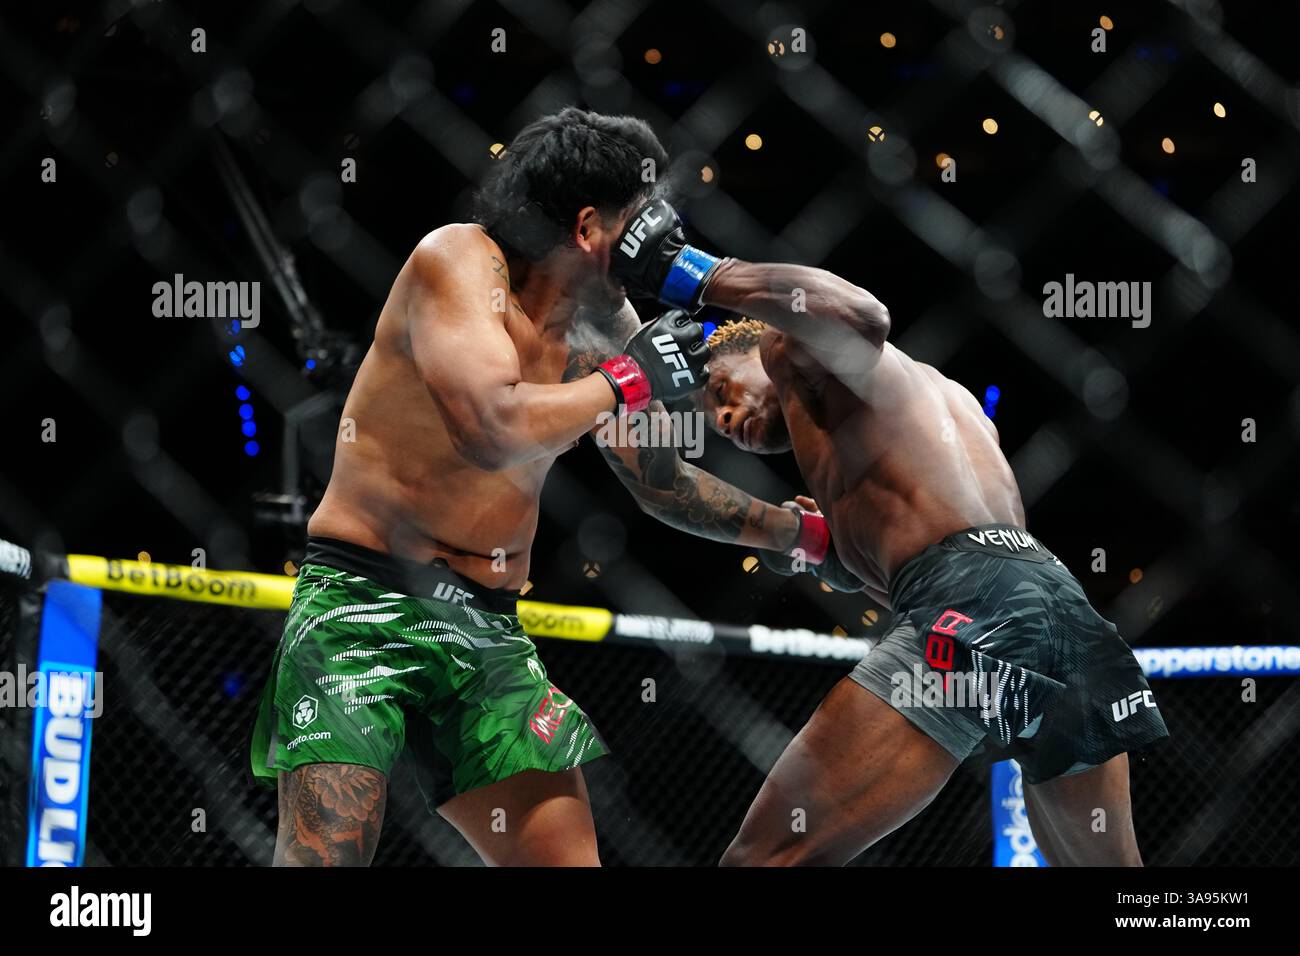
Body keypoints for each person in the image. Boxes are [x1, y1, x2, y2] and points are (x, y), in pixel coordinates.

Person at [248, 109, 826, 866]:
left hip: (488, 627)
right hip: (364, 601)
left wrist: (798, 534)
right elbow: (491, 429)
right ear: (590, 226)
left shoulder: (600, 322)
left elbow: (658, 480)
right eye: (642, 217)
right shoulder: (457, 261)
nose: (659, 240)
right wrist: (628, 379)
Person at [608, 196, 1170, 866]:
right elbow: (664, 491)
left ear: (747, 339)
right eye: (710, 412)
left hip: (970, 606)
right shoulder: (917, 417)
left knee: (765, 859)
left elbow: (861, 314)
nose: (723, 417)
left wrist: (689, 271)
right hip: (1057, 606)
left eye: (719, 388)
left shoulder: (794, 346)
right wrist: (805, 537)